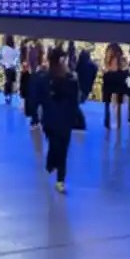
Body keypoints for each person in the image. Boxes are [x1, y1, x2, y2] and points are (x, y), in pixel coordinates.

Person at [40, 47, 80, 193]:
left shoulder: (67, 79)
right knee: (58, 147)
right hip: (57, 119)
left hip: (59, 119)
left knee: (60, 147)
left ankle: (59, 177)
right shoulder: (49, 78)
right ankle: (56, 171)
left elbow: (74, 101)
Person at [101, 43, 129, 131]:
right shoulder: (121, 58)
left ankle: (107, 121)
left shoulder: (108, 58)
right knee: (118, 103)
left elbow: (106, 68)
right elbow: (125, 69)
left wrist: (106, 71)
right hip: (118, 80)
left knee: (107, 102)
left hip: (109, 80)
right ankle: (117, 122)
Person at [0, 35, 20, 105]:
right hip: (12, 67)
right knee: (11, 81)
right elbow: (17, 57)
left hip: (6, 67)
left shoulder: (3, 48)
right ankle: (9, 95)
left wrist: (3, 64)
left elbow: (0, 58)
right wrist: (14, 64)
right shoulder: (14, 49)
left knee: (8, 80)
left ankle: (7, 95)